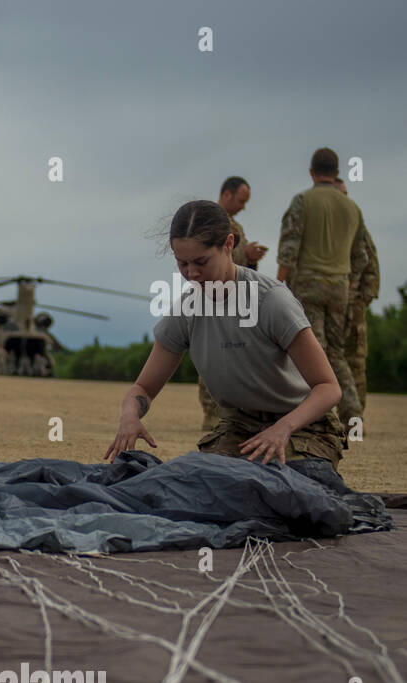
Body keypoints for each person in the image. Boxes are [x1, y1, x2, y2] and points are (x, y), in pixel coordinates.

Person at [106, 200, 345, 471]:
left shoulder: (271, 300)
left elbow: (328, 388)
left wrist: (282, 429)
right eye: (182, 263)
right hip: (239, 426)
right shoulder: (187, 309)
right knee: (208, 482)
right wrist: (130, 416)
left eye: (201, 262)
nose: (191, 274)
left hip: (302, 427)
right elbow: (143, 389)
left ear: (228, 245)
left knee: (282, 486)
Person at [276, 148, 368, 424]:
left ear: (312, 171)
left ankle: (315, 413)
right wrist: (347, 284)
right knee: (336, 351)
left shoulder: (302, 201)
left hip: (308, 285)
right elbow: (361, 257)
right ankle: (352, 410)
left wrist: (278, 286)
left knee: (311, 351)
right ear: (337, 172)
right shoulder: (352, 208)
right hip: (340, 287)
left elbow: (289, 250)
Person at [198, 176, 268, 429]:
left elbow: (234, 263)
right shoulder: (206, 219)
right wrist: (243, 253)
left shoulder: (234, 225)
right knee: (212, 349)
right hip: (210, 293)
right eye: (241, 200)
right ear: (226, 194)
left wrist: (250, 259)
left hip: (233, 295)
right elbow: (207, 254)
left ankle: (230, 410)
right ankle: (212, 413)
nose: (243, 206)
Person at [335, 177, 379, 411]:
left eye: (345, 193)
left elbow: (370, 263)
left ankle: (354, 416)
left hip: (352, 303)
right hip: (333, 300)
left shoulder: (355, 226)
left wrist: (362, 297)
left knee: (354, 360)